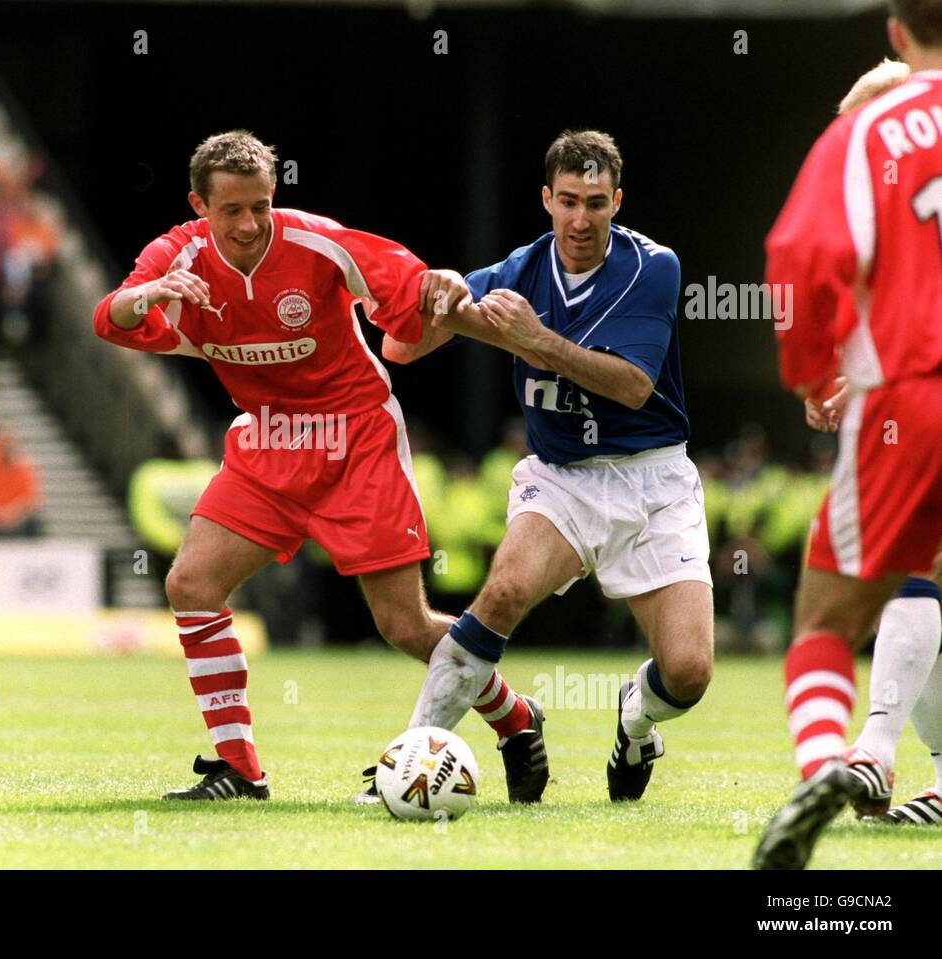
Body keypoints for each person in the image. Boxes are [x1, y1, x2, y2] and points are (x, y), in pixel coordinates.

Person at [93, 130, 546, 801]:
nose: (250, 224)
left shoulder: (315, 240)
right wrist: (151, 291)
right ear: (199, 204)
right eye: (232, 210)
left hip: (356, 439)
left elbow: (406, 281)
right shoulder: (176, 255)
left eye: (261, 206)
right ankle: (240, 770)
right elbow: (110, 317)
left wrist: (441, 285)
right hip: (267, 445)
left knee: (405, 626)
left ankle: (515, 716)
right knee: (190, 584)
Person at [387, 129, 713, 803]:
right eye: (568, 201)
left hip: (654, 479)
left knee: (688, 672)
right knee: (500, 594)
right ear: (546, 198)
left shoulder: (654, 267)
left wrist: (535, 341)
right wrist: (432, 299)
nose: (580, 218)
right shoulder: (520, 268)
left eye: (596, 202)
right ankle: (410, 761)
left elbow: (630, 386)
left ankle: (634, 719)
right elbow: (400, 347)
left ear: (617, 201)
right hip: (563, 477)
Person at [753, 0, 942, 868]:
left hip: (910, 390)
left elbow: (798, 252)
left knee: (828, 614)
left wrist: (811, 371)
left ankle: (836, 763)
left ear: (898, 33)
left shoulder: (868, 133)